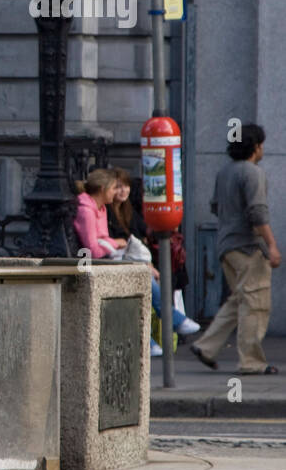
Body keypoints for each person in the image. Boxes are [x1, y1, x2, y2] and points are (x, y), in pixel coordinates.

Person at [191, 123, 281, 374]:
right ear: (255, 147)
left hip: (226, 246)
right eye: (261, 145)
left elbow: (215, 206)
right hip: (249, 247)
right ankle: (251, 362)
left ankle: (206, 347)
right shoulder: (253, 173)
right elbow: (257, 212)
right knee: (255, 304)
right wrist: (272, 246)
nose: (263, 150)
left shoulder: (225, 171)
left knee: (240, 299)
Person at [108, 166, 200, 346]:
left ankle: (154, 338)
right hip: (120, 263)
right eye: (118, 187)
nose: (123, 190)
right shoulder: (109, 212)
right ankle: (171, 325)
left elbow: (143, 230)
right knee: (147, 280)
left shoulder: (127, 209)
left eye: (125, 186)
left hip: (132, 261)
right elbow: (123, 242)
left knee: (155, 280)